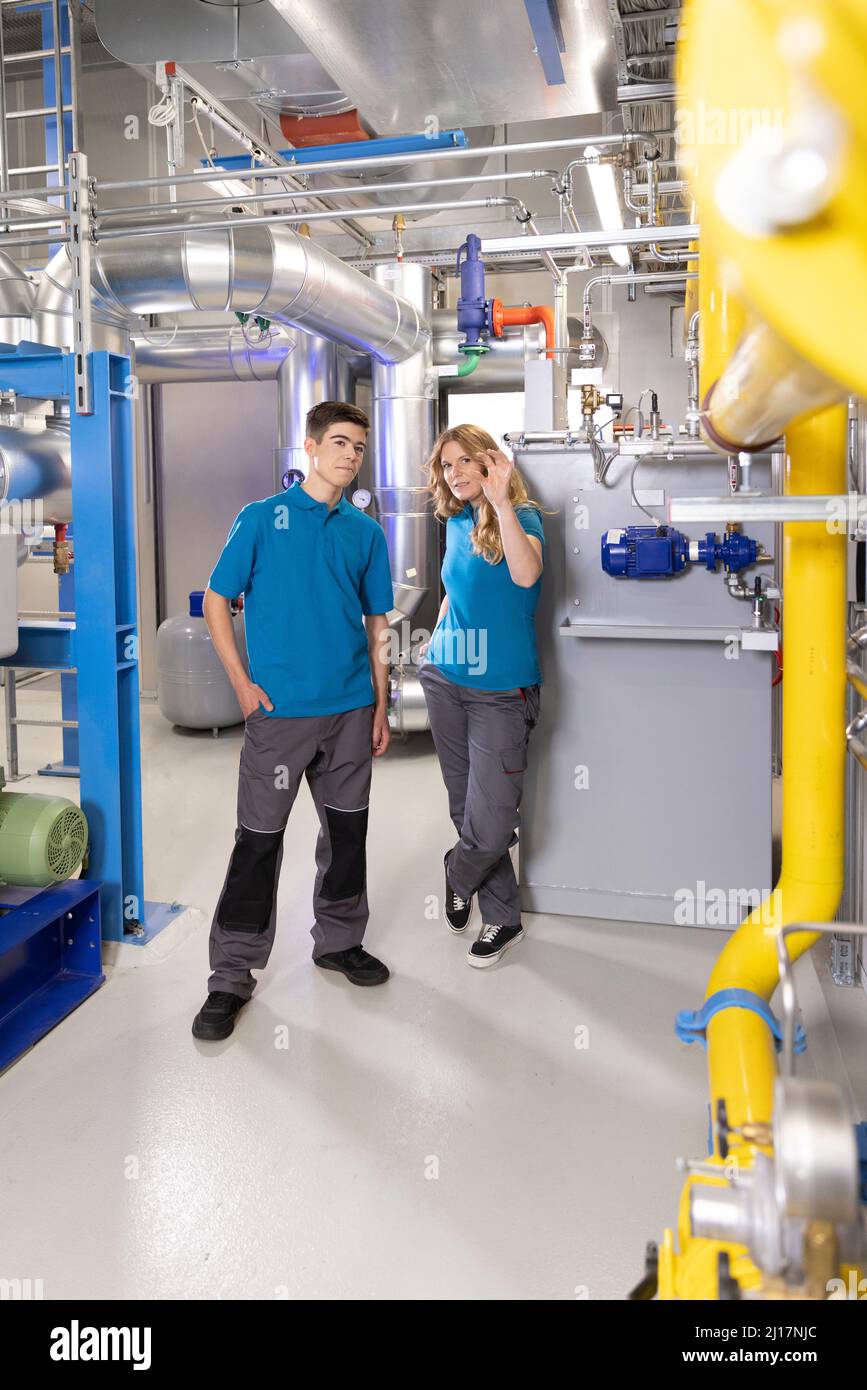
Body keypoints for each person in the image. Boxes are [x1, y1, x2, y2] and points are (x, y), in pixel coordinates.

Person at [191, 401, 394, 1041]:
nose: (348, 455)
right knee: (258, 844)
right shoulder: (260, 520)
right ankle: (230, 977)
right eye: (338, 443)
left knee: (348, 837)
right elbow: (218, 600)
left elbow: (378, 626)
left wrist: (381, 703)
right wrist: (242, 685)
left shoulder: (365, 533)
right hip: (279, 717)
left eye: (358, 447)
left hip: (350, 711)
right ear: (309, 447)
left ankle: (338, 942)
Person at [418, 423, 544, 968]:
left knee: (491, 820)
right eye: (447, 466)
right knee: (463, 805)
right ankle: (503, 918)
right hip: (447, 680)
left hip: (502, 693)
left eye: (465, 461)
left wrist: (503, 505)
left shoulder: (526, 517)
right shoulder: (453, 523)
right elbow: (454, 592)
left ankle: (457, 869)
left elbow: (525, 574)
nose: (456, 473)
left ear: (490, 462)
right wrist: (434, 645)